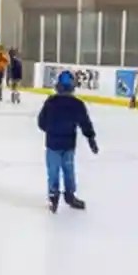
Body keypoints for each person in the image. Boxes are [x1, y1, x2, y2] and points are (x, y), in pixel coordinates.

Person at [36, 70, 99, 213]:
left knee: (53, 171)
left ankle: (54, 196)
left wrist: (51, 130)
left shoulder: (51, 102)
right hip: (68, 144)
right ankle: (69, 195)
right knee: (68, 170)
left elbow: (41, 122)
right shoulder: (77, 104)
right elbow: (85, 123)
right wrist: (91, 139)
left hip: (53, 144)